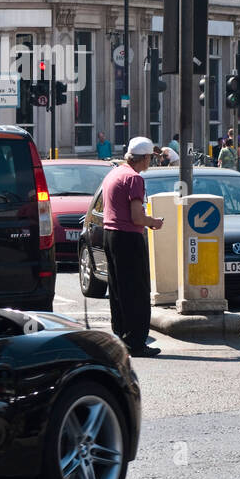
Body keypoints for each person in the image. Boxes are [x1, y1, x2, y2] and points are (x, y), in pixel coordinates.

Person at [98, 137, 165, 358]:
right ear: (144, 158)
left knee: (118, 290)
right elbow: (137, 217)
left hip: (110, 235)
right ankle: (136, 343)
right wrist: (153, 222)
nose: (151, 162)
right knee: (137, 291)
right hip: (128, 237)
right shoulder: (134, 179)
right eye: (150, 158)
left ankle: (121, 337)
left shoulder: (114, 173)